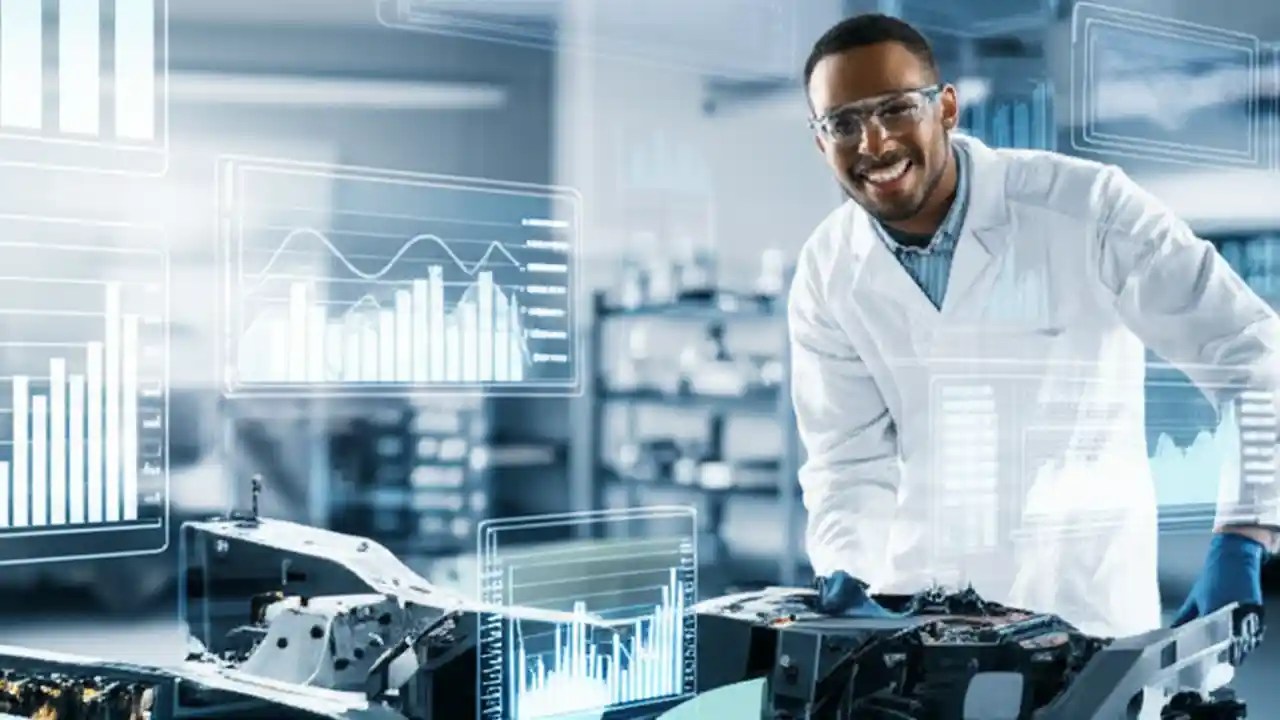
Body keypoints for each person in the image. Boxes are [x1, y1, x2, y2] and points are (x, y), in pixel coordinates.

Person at [788, 13, 1280, 642]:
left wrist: (1243, 535)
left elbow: (1250, 349)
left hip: (1084, 610)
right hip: (918, 624)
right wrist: (847, 575)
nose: (874, 143)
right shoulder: (827, 269)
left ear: (946, 109)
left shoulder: (1089, 208)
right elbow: (846, 460)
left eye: (895, 109)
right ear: (820, 140)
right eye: (843, 123)